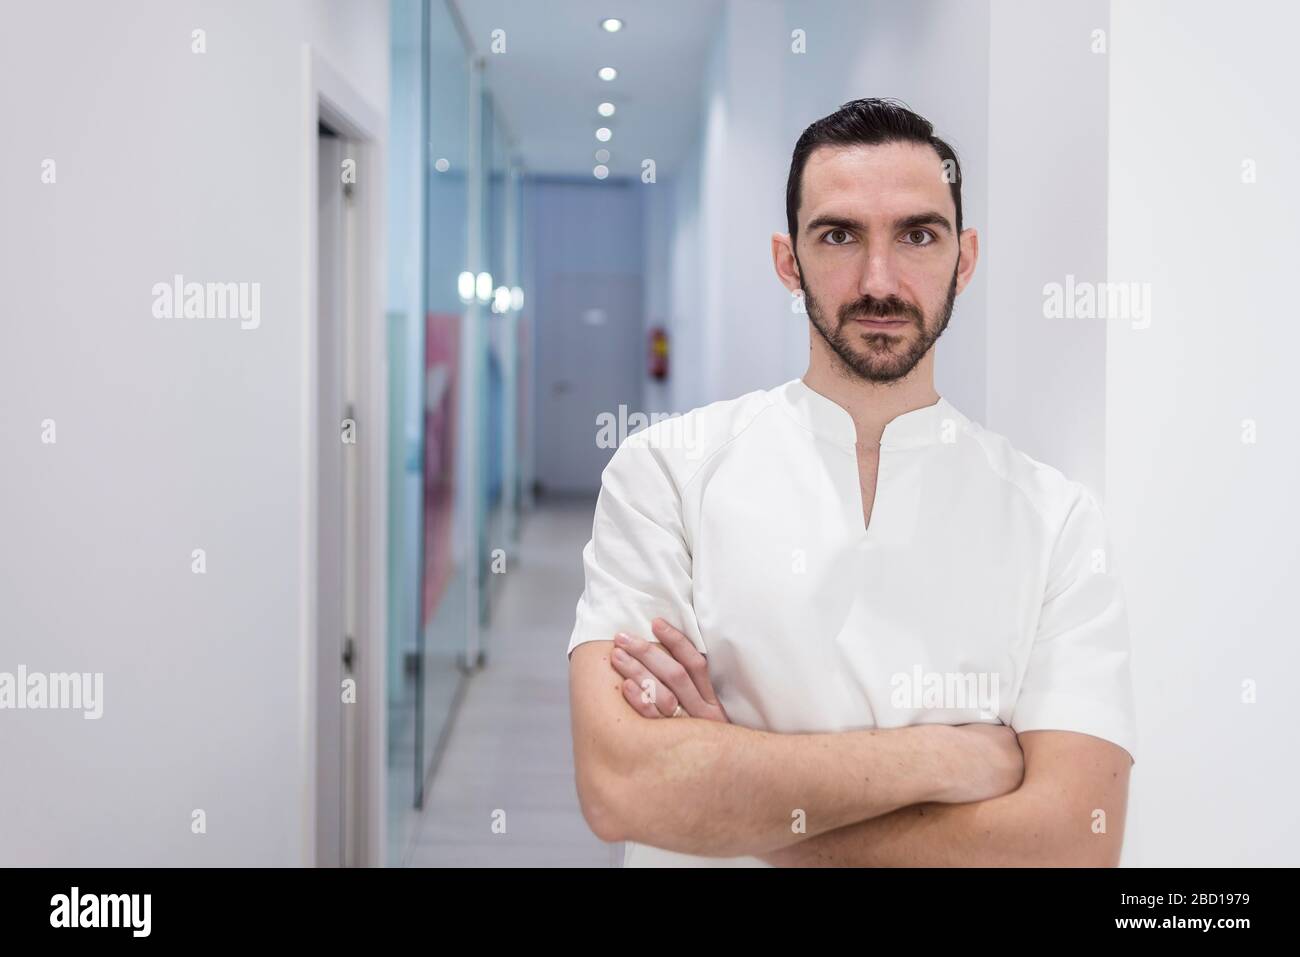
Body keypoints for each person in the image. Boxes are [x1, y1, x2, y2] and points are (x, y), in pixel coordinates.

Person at [567, 98, 1136, 867]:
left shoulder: (1056, 520)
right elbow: (622, 786)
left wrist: (738, 799)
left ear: (964, 259)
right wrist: (954, 758)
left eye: (918, 234)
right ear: (787, 260)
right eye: (838, 235)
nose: (879, 279)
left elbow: (1073, 842)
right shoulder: (664, 473)